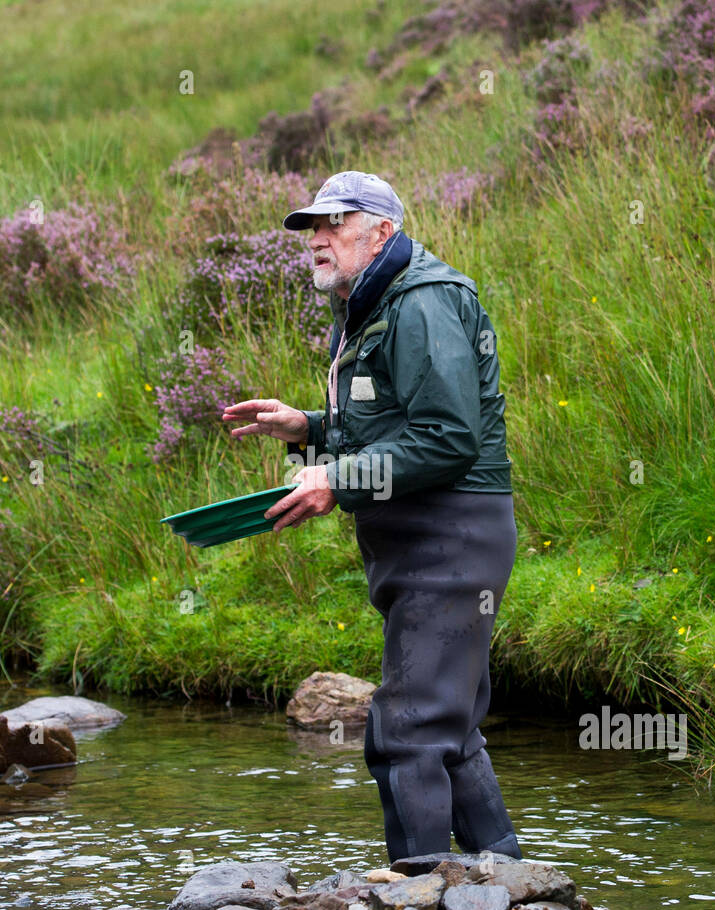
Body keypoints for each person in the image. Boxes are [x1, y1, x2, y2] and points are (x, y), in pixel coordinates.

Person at [221, 170, 522, 864]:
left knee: (406, 730)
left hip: (452, 535)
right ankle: (507, 888)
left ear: (381, 231)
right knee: (448, 729)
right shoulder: (372, 301)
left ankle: (415, 892)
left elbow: (449, 437)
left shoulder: (424, 302)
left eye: (335, 223)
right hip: (425, 538)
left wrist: (337, 479)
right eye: (310, 228)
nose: (317, 239)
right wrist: (310, 428)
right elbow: (394, 426)